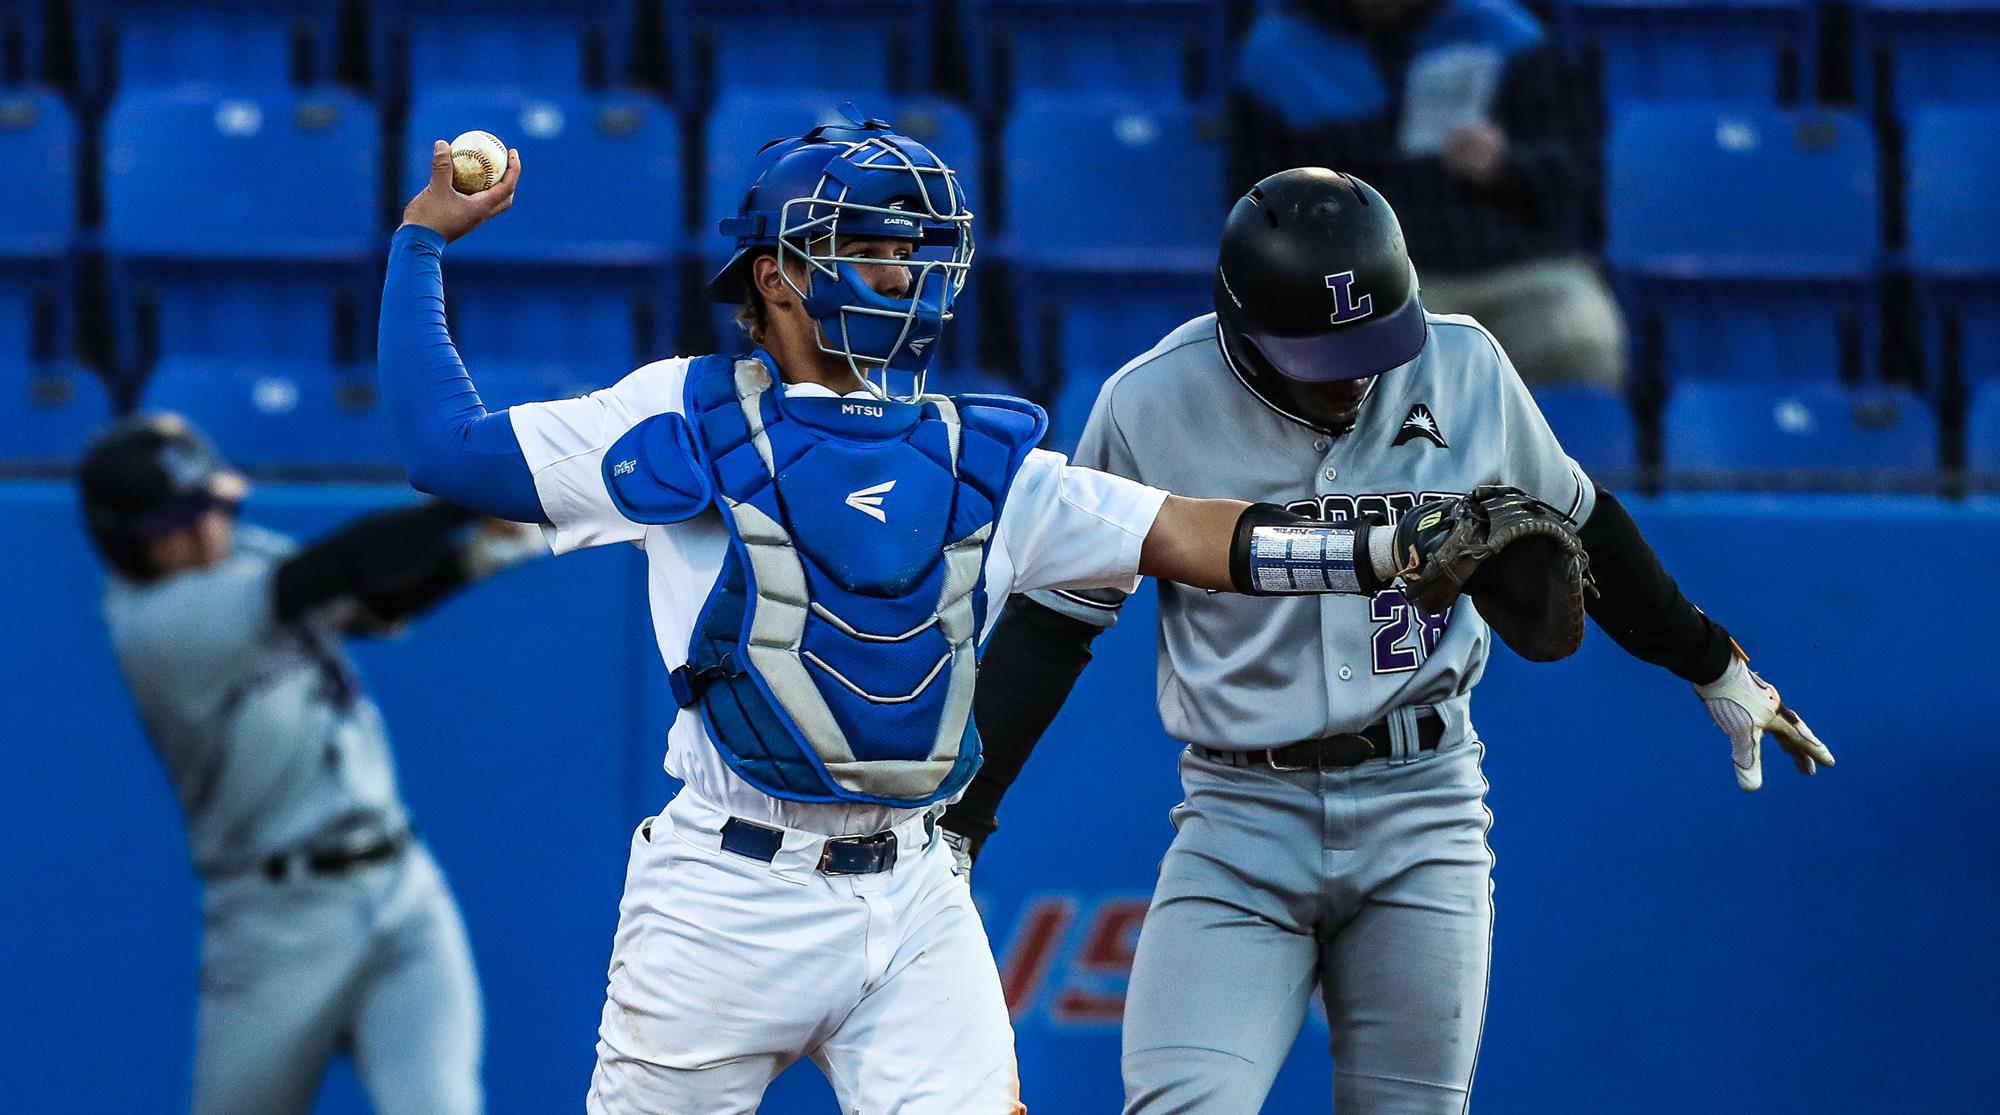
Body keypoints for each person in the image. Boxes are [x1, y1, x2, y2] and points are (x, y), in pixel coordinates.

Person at [377, 116, 1467, 1114]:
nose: (908, 272)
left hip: (912, 889)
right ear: (779, 273)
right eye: (874, 246)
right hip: (725, 891)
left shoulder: (978, 451)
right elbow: (443, 448)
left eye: (918, 249)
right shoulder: (684, 413)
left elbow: (1189, 534)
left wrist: (1382, 549)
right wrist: (421, 242)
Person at [940, 168, 1834, 1114]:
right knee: (1182, 1101)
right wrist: (965, 817)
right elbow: (1055, 625)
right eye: (1323, 350)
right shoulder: (1148, 402)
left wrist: (1715, 663)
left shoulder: (1463, 364)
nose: (1359, 370)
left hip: (1425, 807)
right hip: (1242, 815)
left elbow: (1587, 524)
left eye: (1374, 341)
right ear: (1244, 328)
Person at [80, 413, 546, 1115]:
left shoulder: (237, 557)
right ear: (128, 539)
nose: (210, 528)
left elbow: (366, 599)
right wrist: (464, 503)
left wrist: (471, 558)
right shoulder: (155, 624)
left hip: (402, 889)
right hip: (274, 921)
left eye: (212, 504)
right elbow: (338, 564)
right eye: (183, 516)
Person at [1234, 0, 1625, 389]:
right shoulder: (1277, 61)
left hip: (1520, 271)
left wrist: (1505, 163)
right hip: (1372, 284)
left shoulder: (1508, 35)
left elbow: (1575, 167)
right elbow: (1261, 211)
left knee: (1582, 337)